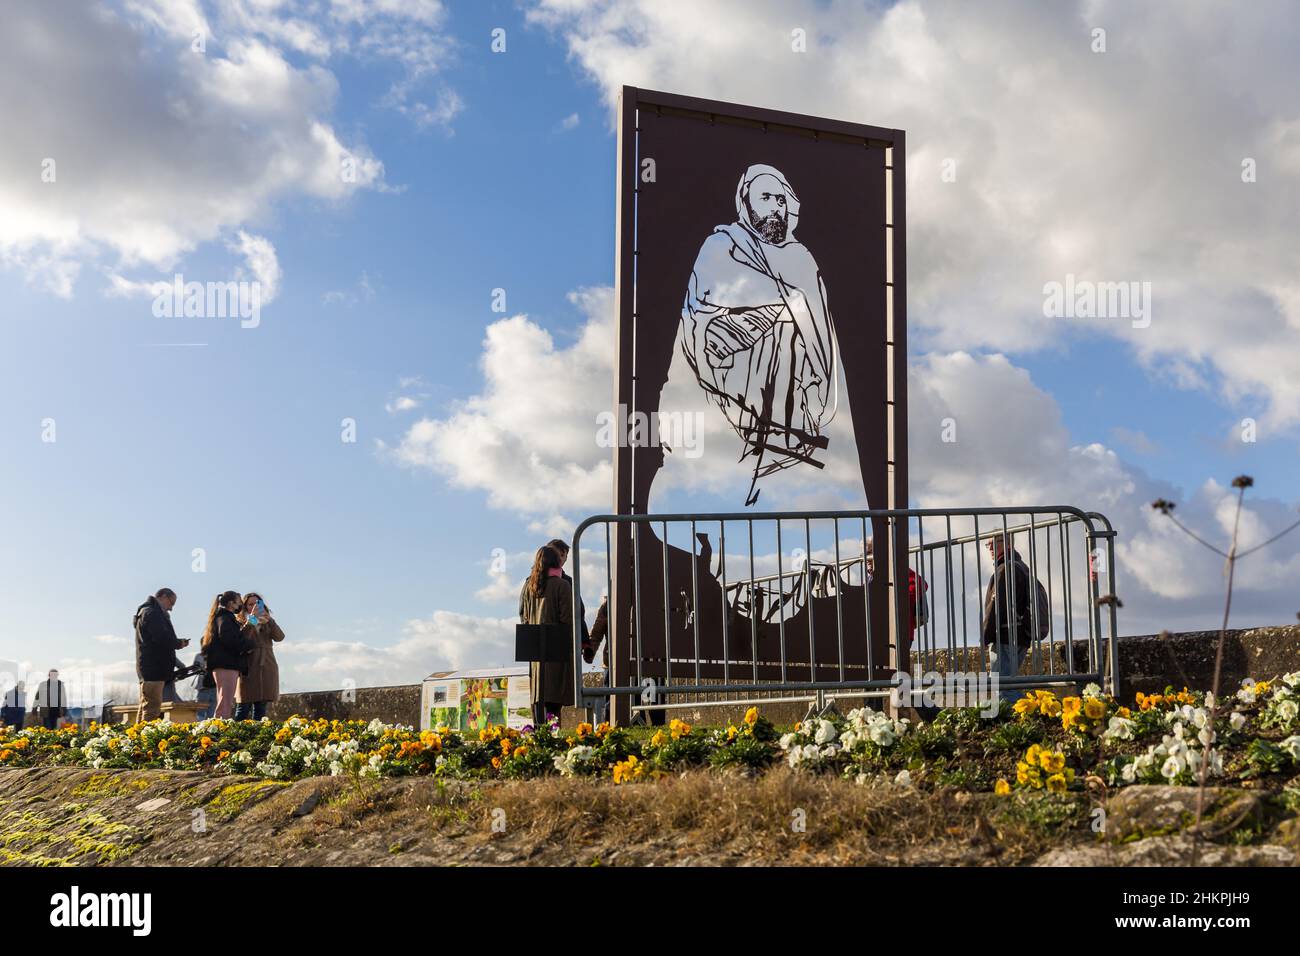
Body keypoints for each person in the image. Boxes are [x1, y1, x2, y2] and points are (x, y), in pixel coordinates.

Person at [519, 545, 574, 727]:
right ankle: (553, 736)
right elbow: (567, 619)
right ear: (556, 562)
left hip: (534, 650)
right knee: (554, 699)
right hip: (556, 648)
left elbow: (524, 615)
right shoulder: (562, 585)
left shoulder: (529, 587)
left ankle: (538, 736)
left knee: (538, 697)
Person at [982, 533, 1034, 704]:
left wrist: (986, 636)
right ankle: (1027, 712)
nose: (989, 548)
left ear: (1007, 543)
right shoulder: (1020, 566)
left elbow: (996, 607)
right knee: (1005, 685)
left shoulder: (1006, 569)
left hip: (1006, 635)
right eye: (987, 544)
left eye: (993, 543)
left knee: (1002, 687)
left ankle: (1031, 713)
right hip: (1019, 634)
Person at [133, 588, 189, 722]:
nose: (171, 608)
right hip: (154, 668)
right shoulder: (152, 613)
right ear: (163, 596)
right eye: (171, 603)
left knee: (146, 707)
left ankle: (136, 738)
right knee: (152, 710)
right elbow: (161, 638)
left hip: (150, 668)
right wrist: (178, 643)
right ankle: (144, 741)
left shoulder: (147, 612)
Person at [201, 591, 256, 719]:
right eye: (238, 601)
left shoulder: (222, 617)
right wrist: (248, 645)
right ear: (231, 603)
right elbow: (231, 639)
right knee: (224, 704)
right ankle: (218, 733)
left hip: (224, 665)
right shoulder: (225, 618)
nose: (240, 605)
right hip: (227, 665)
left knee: (224, 701)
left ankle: (219, 730)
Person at [234, 591, 284, 720]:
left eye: (257, 604)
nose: (254, 607)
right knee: (243, 708)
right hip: (249, 666)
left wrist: (270, 621)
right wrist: (252, 619)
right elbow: (240, 637)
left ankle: (257, 738)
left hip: (267, 665)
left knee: (261, 709)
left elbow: (280, 637)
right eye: (250, 604)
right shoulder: (240, 620)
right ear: (245, 606)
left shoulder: (267, 621)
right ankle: (236, 737)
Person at [190, 650, 216, 719]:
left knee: (200, 714)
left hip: (203, 686)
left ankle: (201, 728)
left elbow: (194, 670)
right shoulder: (218, 655)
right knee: (211, 715)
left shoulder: (199, 656)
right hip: (215, 686)